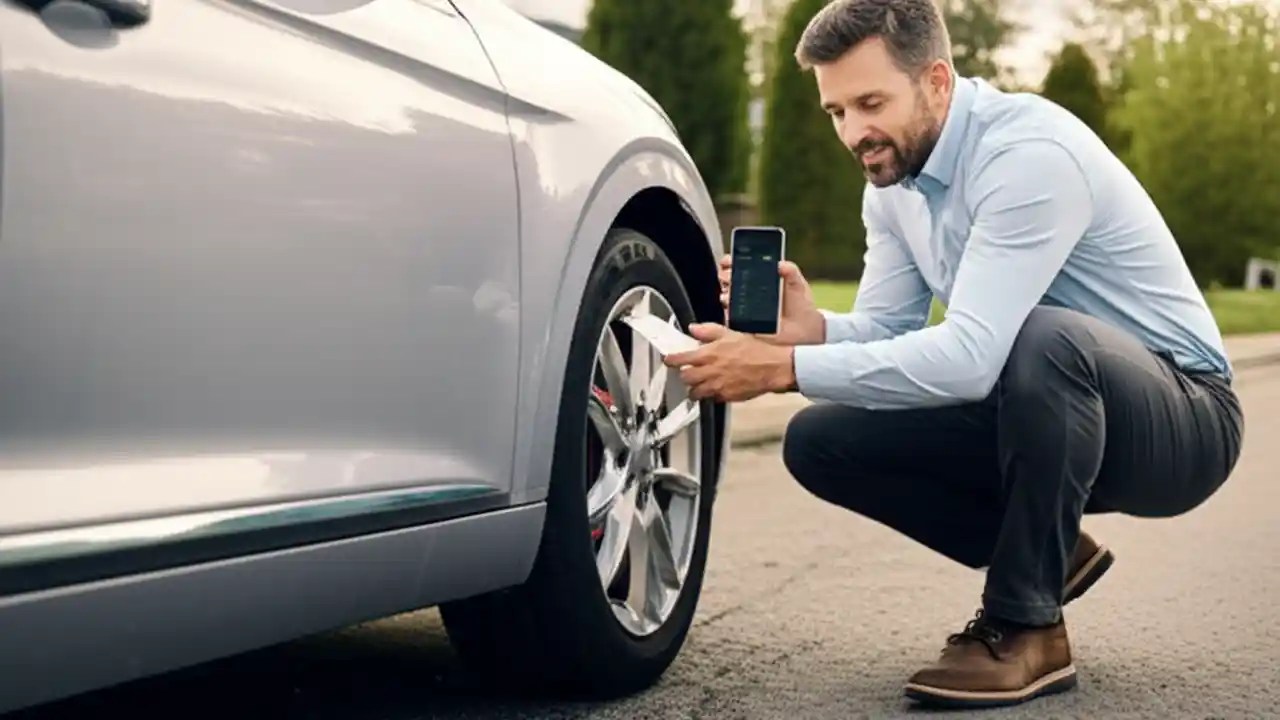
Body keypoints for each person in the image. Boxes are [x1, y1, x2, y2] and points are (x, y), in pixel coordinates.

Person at [662, 0, 1244, 710]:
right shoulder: (892, 181)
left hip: (1183, 420)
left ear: (937, 81)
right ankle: (1043, 551)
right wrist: (813, 336)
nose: (854, 133)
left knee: (1045, 336)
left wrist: (783, 371)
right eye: (836, 111)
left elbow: (971, 355)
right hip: (1042, 406)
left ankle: (1027, 626)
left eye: (870, 103)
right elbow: (888, 331)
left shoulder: (1027, 157)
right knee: (821, 439)